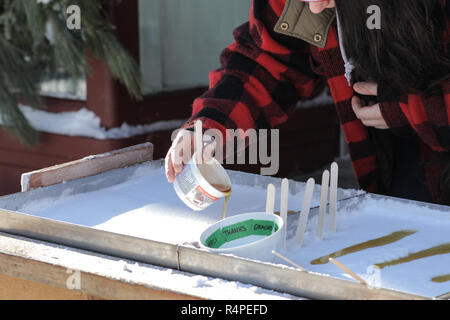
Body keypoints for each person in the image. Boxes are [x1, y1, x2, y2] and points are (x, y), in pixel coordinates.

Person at [165, 0, 450, 205]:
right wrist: (211, 127)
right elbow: (266, 64)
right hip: (401, 163)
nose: (314, 7)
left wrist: (415, 109)